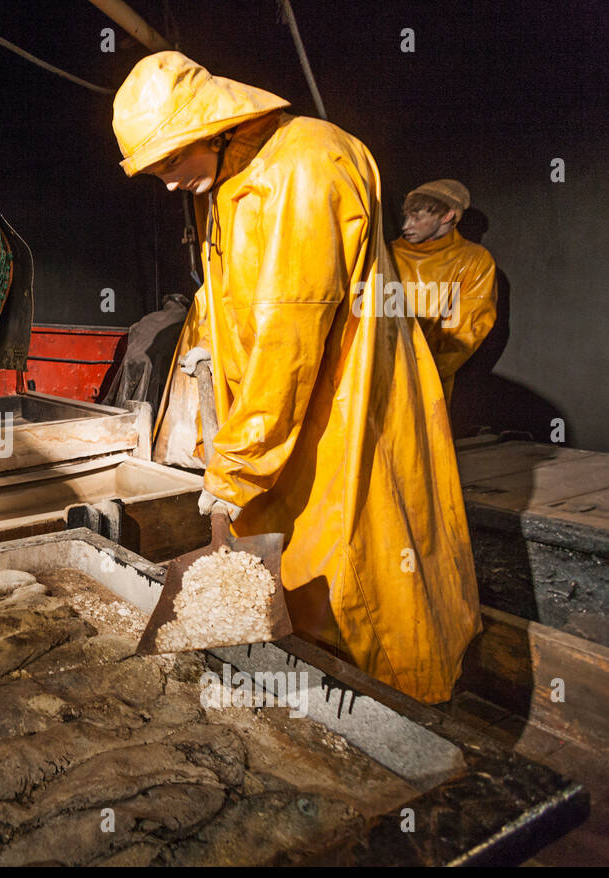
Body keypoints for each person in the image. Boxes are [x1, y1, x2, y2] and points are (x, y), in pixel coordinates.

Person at [112, 52, 480, 704]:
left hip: (339, 411)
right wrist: (213, 431)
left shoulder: (306, 166)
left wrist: (234, 469)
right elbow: (228, 307)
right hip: (273, 425)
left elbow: (291, 339)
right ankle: (319, 708)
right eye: (153, 171)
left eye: (169, 162)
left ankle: (408, 730)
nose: (166, 183)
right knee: (300, 591)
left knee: (365, 578)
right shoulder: (223, 185)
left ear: (212, 127)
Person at [391, 179, 498, 405]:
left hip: (427, 382)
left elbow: (469, 329)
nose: (405, 226)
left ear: (447, 216)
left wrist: (428, 372)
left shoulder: (474, 261)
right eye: (406, 216)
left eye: (417, 217)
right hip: (374, 375)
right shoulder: (385, 253)